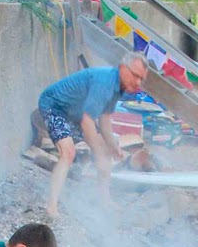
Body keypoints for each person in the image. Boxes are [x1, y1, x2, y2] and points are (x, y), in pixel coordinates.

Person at [36, 57, 149, 216]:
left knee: (106, 147)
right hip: (55, 106)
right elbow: (87, 122)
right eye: (135, 75)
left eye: (141, 79)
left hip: (74, 112)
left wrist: (113, 146)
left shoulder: (119, 87)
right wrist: (97, 153)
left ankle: (105, 200)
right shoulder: (105, 82)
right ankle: (51, 207)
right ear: (123, 67)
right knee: (68, 153)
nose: (138, 82)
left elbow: (105, 119)